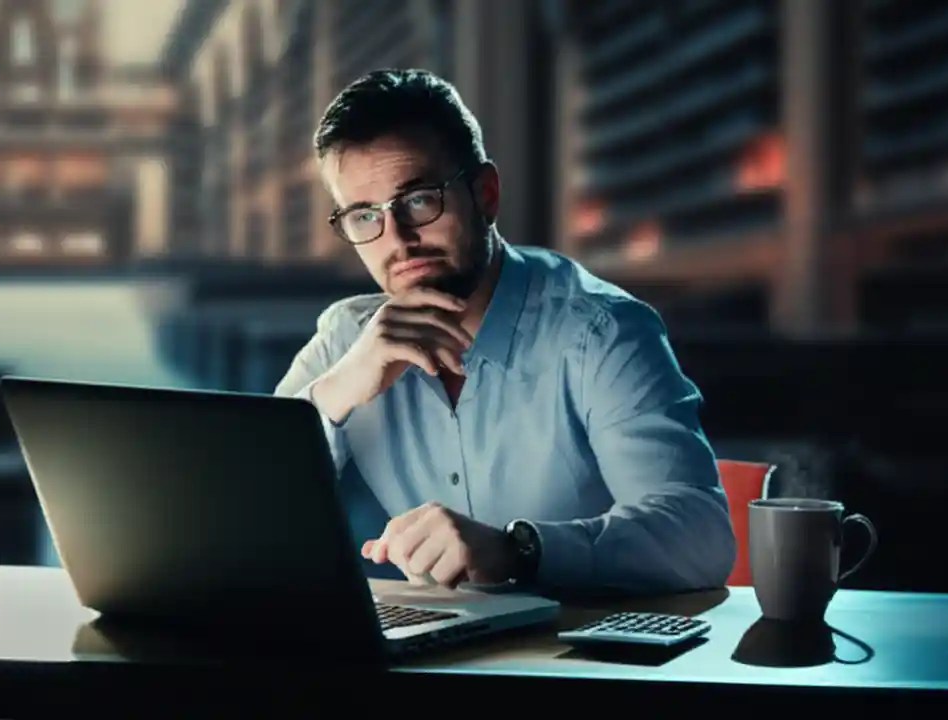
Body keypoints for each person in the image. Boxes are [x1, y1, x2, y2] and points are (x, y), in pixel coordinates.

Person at [274, 68, 734, 597]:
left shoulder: (603, 331)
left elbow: (702, 539)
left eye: (420, 200)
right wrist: (337, 391)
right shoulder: (347, 339)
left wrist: (517, 551)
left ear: (486, 195)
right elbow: (242, 516)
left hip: (586, 660)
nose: (397, 239)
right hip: (433, 659)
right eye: (363, 215)